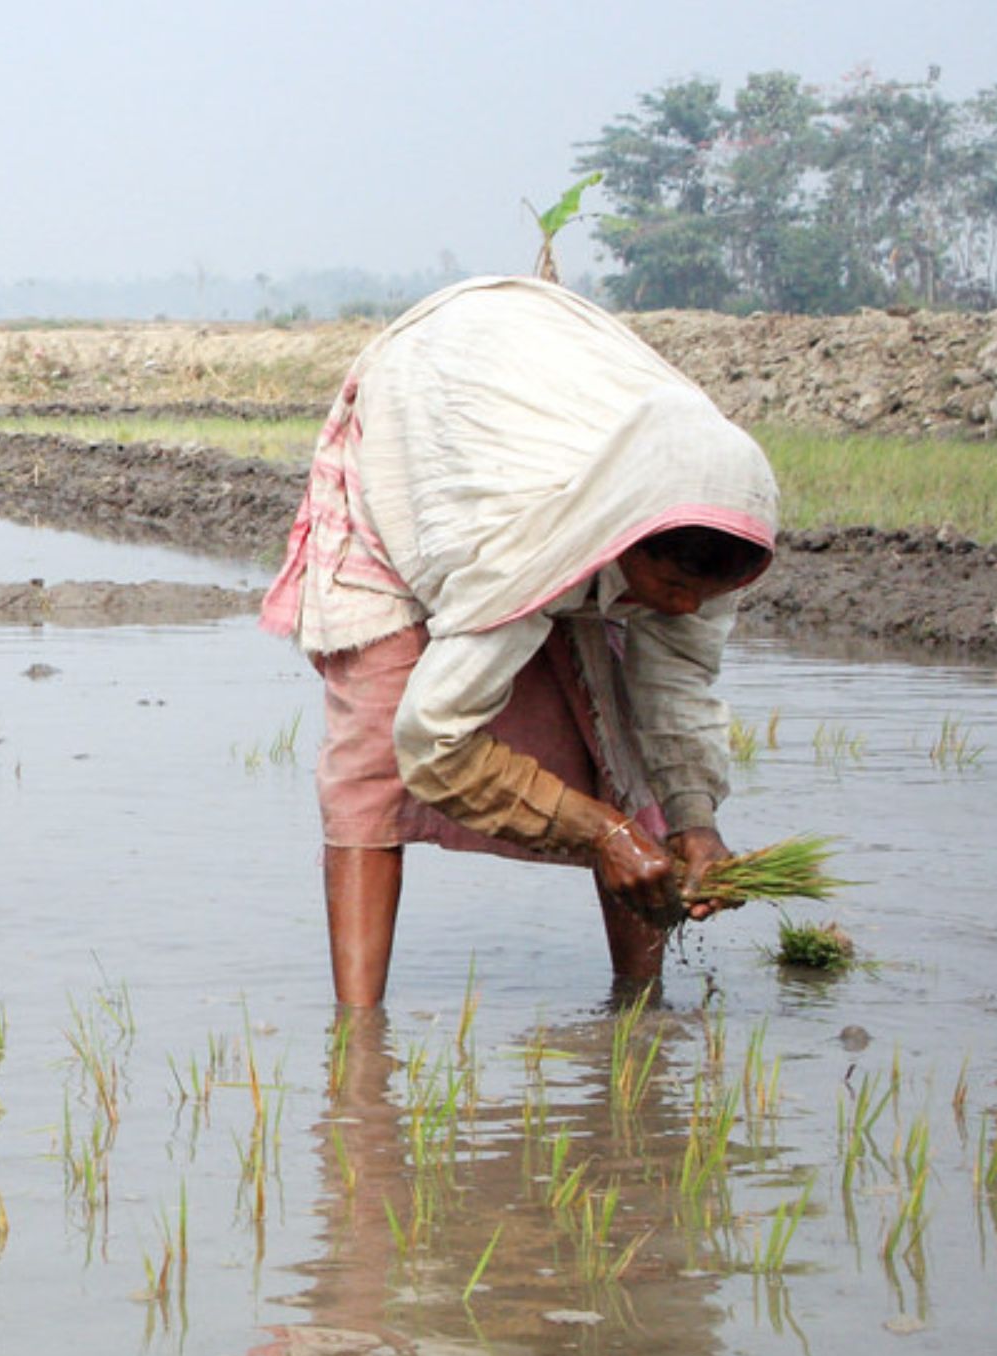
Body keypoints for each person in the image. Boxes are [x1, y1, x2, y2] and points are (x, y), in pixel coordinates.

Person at [259, 276, 778, 1007]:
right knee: (374, 744)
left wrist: (695, 823)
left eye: (705, 595)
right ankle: (359, 1037)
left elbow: (674, 688)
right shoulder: (514, 537)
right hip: (426, 414)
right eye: (671, 586)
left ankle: (641, 1014)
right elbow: (430, 742)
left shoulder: (707, 504)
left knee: (620, 742)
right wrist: (600, 831)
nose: (686, 607)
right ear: (625, 537)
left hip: (537, 398)